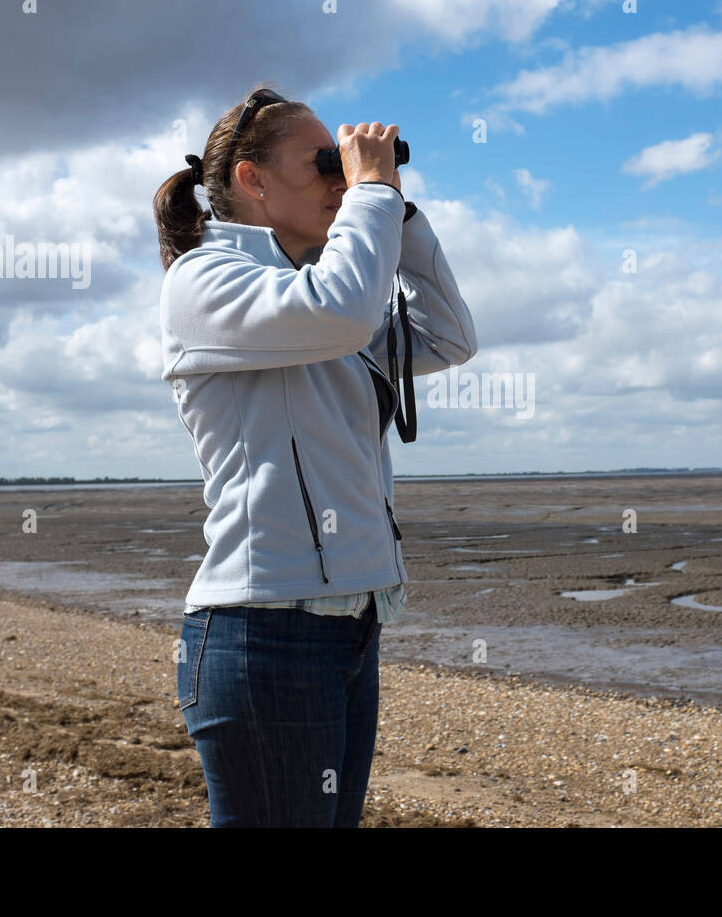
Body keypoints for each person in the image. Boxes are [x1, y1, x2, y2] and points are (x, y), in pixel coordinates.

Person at [152, 85, 478, 826]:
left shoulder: (315, 295)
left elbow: (450, 336)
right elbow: (343, 312)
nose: (341, 180)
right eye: (323, 164)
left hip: (348, 626)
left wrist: (397, 207)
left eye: (345, 166)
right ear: (252, 179)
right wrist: (368, 199)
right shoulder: (205, 282)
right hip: (263, 631)